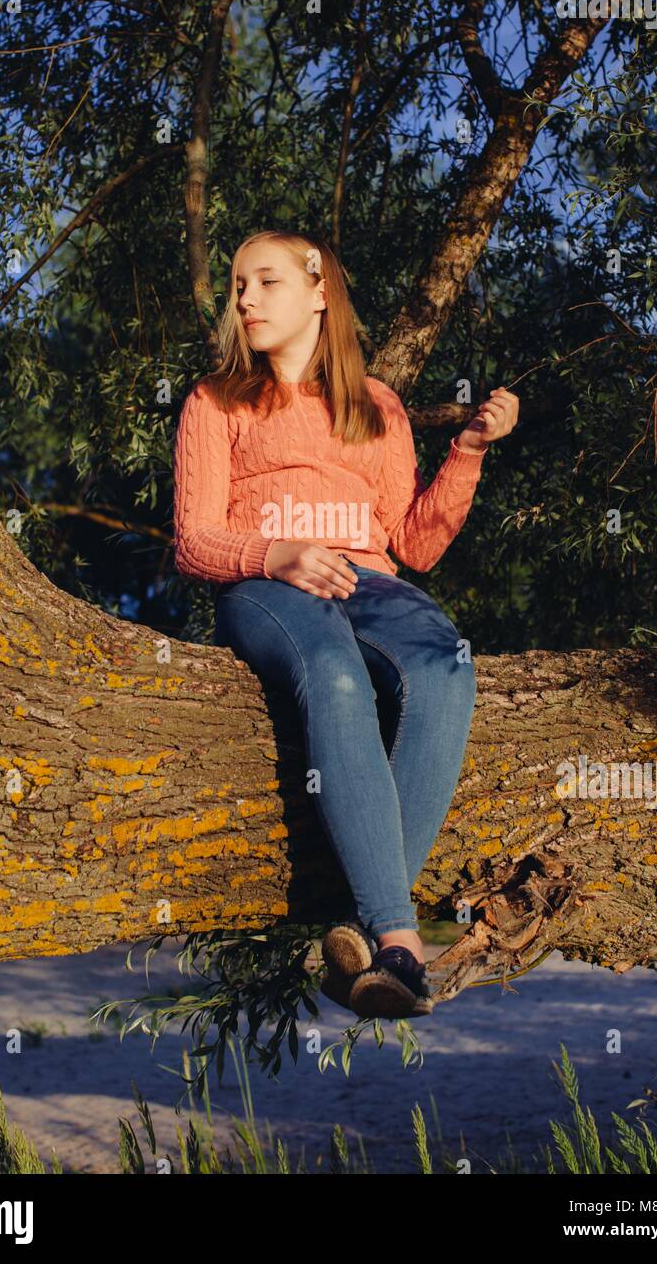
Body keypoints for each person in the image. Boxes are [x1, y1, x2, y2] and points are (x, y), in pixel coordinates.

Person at [173, 229, 518, 1019]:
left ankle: (356, 934)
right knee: (331, 670)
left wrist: (466, 450)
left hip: (370, 580)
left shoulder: (378, 406)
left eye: (264, 282)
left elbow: (416, 544)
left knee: (447, 665)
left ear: (319, 290)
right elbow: (194, 541)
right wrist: (277, 552)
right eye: (237, 287)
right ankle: (399, 939)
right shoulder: (215, 400)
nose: (245, 299)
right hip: (267, 582)